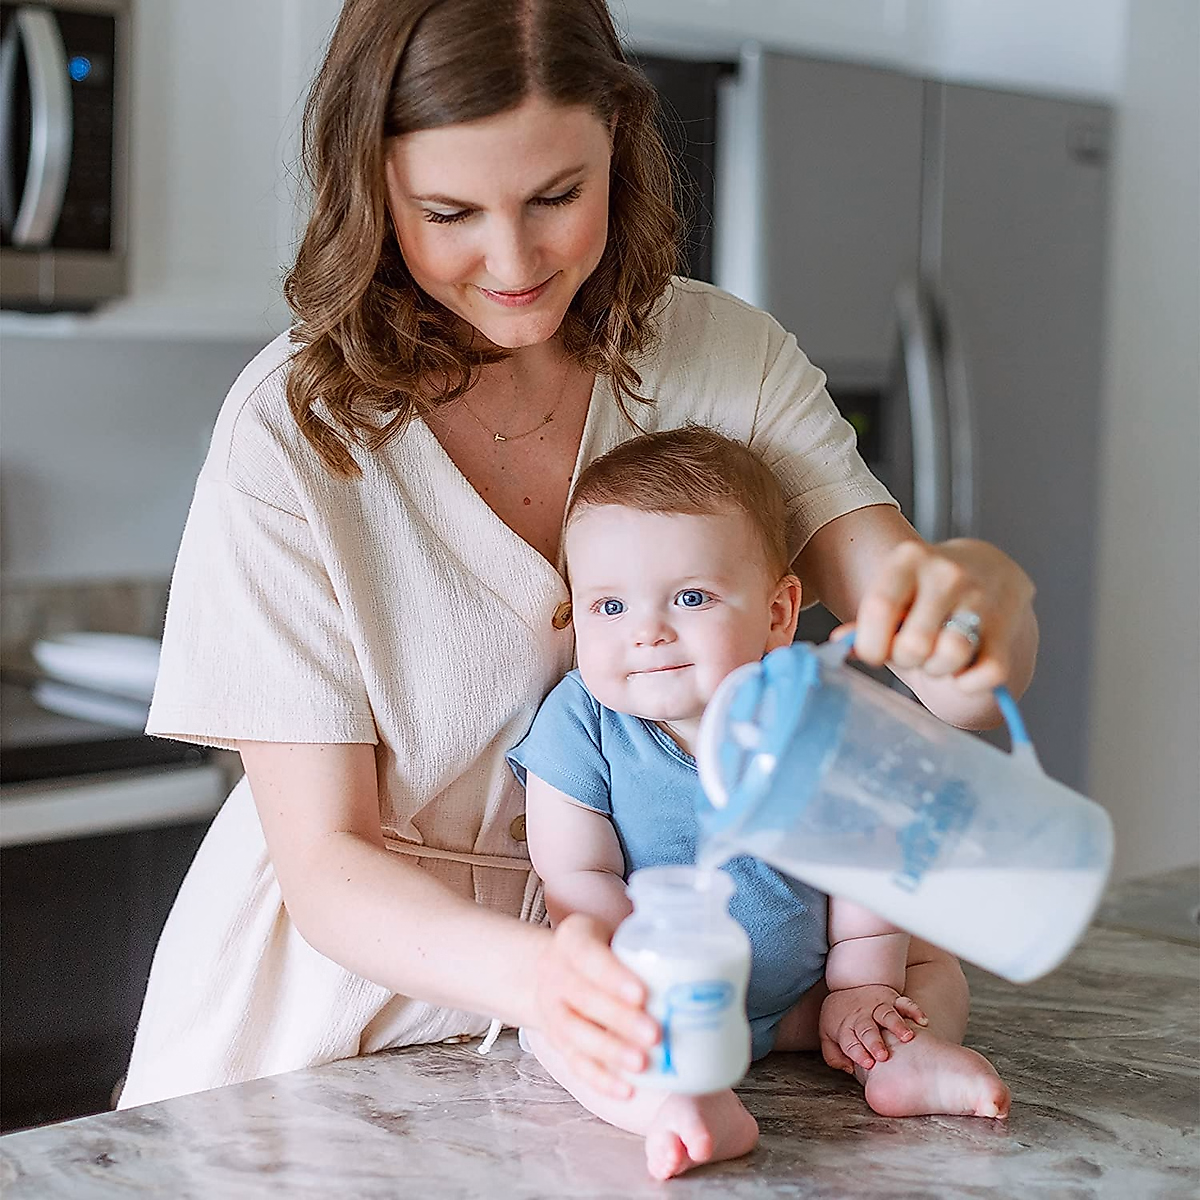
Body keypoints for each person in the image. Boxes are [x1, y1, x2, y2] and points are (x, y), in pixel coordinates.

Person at [118, 0, 1038, 1141]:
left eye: (558, 196)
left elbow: (917, 621)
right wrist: (550, 974)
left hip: (668, 1030)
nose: (512, 261)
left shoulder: (725, 359)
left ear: (619, 139)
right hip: (326, 1039)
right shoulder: (293, 432)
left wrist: (974, 602)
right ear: (369, 188)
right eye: (449, 212)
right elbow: (325, 863)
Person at [507, 427, 1009, 1179]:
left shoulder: (814, 714)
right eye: (608, 606)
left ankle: (901, 1060)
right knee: (550, 1028)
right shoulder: (582, 722)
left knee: (931, 965)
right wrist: (625, 984)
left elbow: (868, 855)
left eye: (690, 597)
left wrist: (862, 985)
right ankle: (674, 1104)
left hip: (813, 997)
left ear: (778, 614)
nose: (646, 631)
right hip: (663, 998)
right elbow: (577, 877)